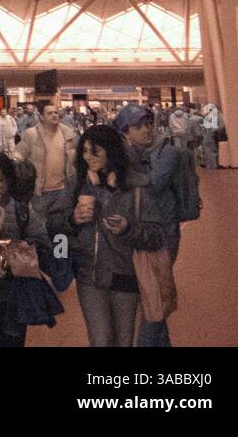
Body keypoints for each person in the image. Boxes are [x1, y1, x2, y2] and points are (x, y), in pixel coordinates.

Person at [116, 104, 190, 348]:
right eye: (138, 126)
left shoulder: (166, 152)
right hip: (142, 234)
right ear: (125, 132)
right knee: (150, 296)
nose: (147, 129)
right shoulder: (132, 155)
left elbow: (154, 183)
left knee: (153, 298)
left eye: (148, 123)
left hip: (164, 233)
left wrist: (119, 176)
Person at [69, 124, 139, 347]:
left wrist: (128, 228)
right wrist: (72, 219)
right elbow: (53, 226)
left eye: (95, 151)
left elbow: (156, 235)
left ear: (111, 150)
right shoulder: (78, 184)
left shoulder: (134, 186)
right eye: (85, 151)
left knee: (124, 340)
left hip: (126, 273)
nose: (88, 157)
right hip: (90, 273)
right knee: (101, 339)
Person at [0, 151, 51, 348]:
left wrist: (19, 249)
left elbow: (43, 244)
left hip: (12, 297)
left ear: (8, 180)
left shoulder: (21, 210)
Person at [19, 100, 78, 233]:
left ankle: (59, 254)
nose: (54, 115)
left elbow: (75, 160)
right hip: (39, 192)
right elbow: (18, 156)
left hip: (62, 191)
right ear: (42, 117)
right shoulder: (31, 134)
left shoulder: (68, 133)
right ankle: (44, 253)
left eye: (56, 112)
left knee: (60, 231)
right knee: (40, 229)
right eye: (49, 113)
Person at [200, 103, 221, 170]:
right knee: (211, 151)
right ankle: (212, 165)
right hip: (210, 136)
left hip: (208, 136)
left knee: (209, 151)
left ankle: (211, 165)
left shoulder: (212, 117)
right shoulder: (215, 116)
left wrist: (211, 130)